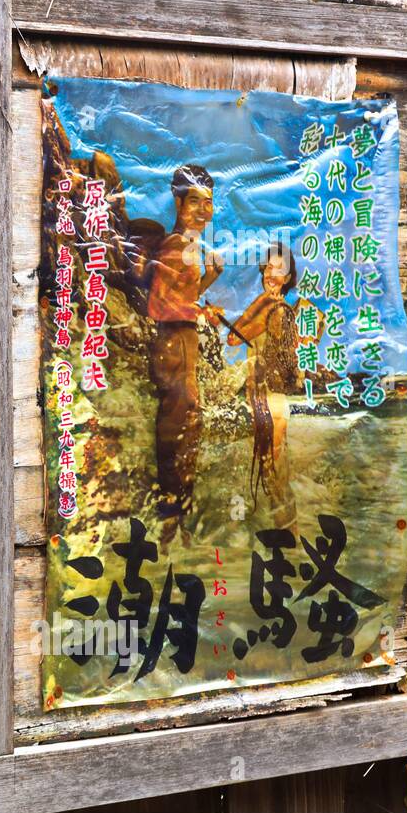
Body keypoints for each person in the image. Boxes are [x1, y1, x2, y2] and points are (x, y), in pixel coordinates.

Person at [147, 165, 224, 545]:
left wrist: (210, 280)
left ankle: (181, 513)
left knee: (191, 420)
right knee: (179, 419)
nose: (204, 210)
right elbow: (159, 305)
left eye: (209, 203)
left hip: (186, 341)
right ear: (178, 202)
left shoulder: (191, 247)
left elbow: (183, 296)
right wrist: (197, 311)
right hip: (173, 342)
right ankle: (170, 511)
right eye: (195, 201)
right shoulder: (176, 246)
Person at [226, 243, 302, 533]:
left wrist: (261, 300)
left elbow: (234, 338)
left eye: (278, 270)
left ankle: (289, 535)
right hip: (269, 400)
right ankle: (284, 534)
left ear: (288, 276)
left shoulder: (274, 308)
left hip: (270, 400)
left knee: (274, 470)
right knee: (270, 469)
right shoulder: (270, 304)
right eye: (268, 267)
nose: (271, 274)